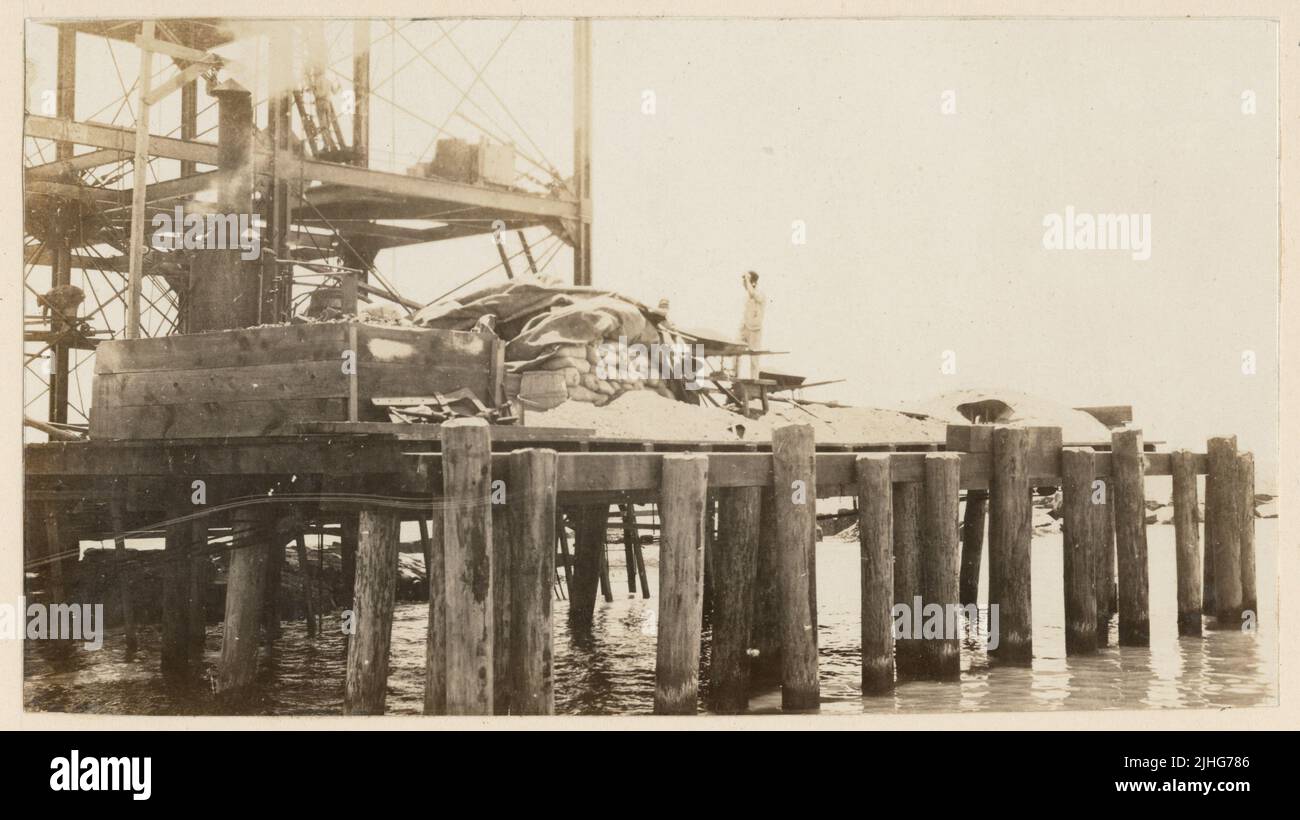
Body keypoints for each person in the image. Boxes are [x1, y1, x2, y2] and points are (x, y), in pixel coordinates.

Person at [736, 270, 766, 379]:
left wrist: (748, 279)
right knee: (735, 350)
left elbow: (752, 293)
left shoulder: (760, 294)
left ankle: (754, 378)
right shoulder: (747, 296)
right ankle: (735, 374)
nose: (744, 284)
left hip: (755, 329)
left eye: (746, 282)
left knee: (754, 356)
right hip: (745, 327)